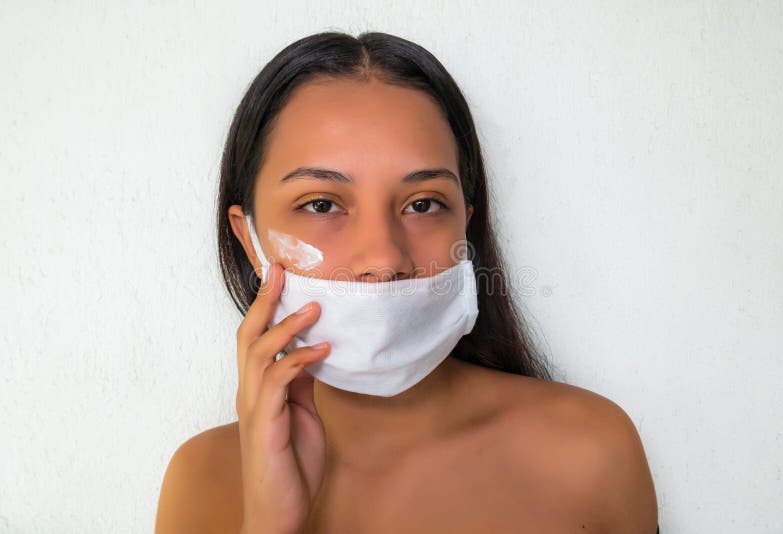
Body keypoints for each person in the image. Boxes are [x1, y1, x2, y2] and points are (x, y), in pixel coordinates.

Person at [155, 31, 658, 533]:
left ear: (465, 225)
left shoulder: (591, 452)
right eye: (322, 205)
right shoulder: (200, 479)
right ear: (250, 241)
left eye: (423, 204)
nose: (383, 259)